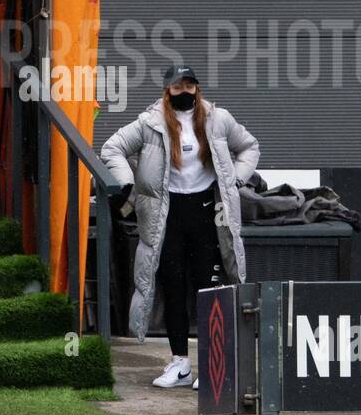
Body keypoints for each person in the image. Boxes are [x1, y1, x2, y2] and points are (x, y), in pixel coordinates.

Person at [100, 64, 259, 389]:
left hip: (207, 214)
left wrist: (235, 180)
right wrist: (127, 183)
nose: (183, 91)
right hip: (166, 214)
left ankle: (215, 364)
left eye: (189, 86)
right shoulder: (150, 122)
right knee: (173, 288)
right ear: (167, 90)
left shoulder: (218, 118)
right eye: (177, 86)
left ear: (196, 88)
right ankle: (179, 364)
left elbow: (250, 147)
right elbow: (111, 148)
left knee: (209, 288)